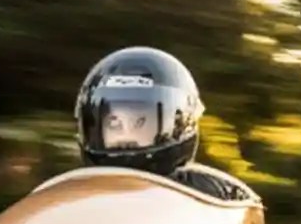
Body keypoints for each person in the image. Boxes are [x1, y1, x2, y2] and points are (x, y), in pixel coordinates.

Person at [74, 46, 256, 202]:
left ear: (178, 124)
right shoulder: (71, 198)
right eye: (114, 123)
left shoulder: (211, 196)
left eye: (140, 122)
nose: (126, 134)